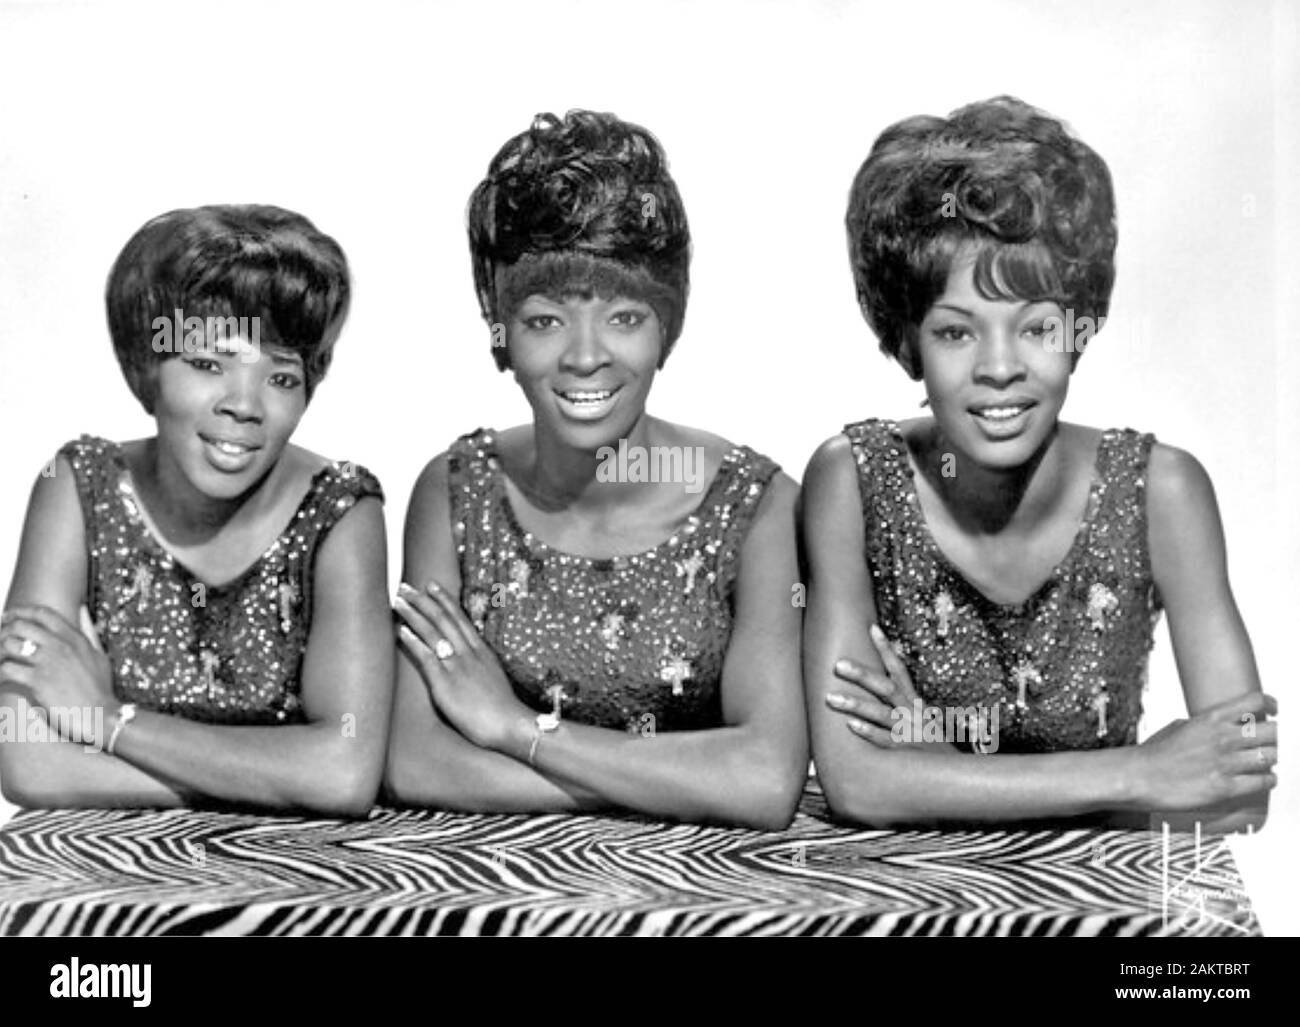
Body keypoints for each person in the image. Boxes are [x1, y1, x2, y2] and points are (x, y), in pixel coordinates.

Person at [801, 97, 1277, 832]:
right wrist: (1142, 774)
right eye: (957, 332)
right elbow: (857, 782)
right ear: (910, 341)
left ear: (1079, 325)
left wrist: (937, 773)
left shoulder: (1161, 491)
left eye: (1036, 327)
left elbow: (1241, 790)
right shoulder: (854, 481)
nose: (999, 367)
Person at [385, 110, 805, 830]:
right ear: (501, 330)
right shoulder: (455, 492)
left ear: (667, 325)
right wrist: (678, 781)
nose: (585, 356)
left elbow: (766, 781)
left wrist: (514, 730)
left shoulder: (756, 508)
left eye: (624, 317)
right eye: (545, 320)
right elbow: (414, 762)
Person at [0, 205, 393, 815]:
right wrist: (270, 777)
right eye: (208, 364)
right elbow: (24, 758)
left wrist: (108, 721)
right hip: (114, 883)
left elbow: (342, 776)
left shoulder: (340, 510)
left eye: (281, 378)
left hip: (294, 880)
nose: (245, 405)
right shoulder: (77, 486)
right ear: (148, 365)